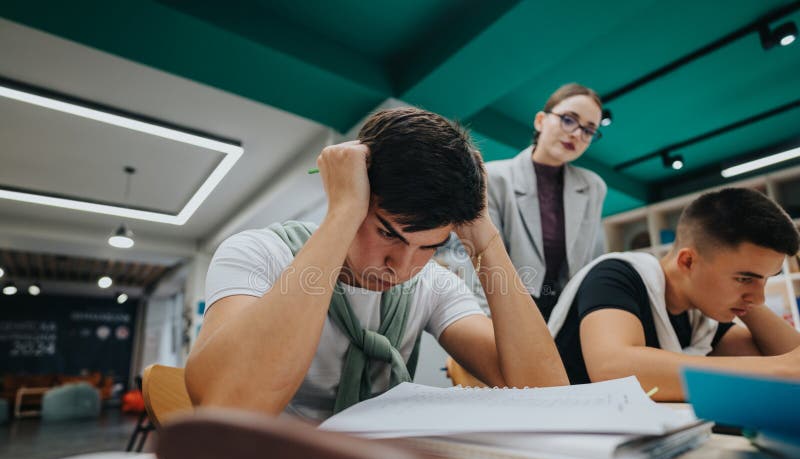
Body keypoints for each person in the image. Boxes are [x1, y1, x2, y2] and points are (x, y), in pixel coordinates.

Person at [185, 107, 568, 421]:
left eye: (429, 247)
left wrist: (482, 235)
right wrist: (343, 212)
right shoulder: (258, 253)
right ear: (355, 192)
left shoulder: (433, 284)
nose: (401, 268)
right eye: (388, 234)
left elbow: (546, 395)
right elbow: (228, 406)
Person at [548, 187, 800, 400]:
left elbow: (789, 360)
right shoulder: (616, 275)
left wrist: (748, 299)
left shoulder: (701, 320)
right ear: (688, 261)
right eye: (744, 278)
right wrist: (777, 370)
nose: (760, 298)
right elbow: (613, 368)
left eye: (766, 279)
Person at [446, 83, 607, 385]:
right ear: (541, 120)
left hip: (568, 317)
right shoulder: (495, 177)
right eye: (569, 120)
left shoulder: (594, 186)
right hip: (509, 312)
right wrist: (489, 331)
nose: (577, 134)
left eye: (589, 130)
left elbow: (591, 267)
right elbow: (480, 260)